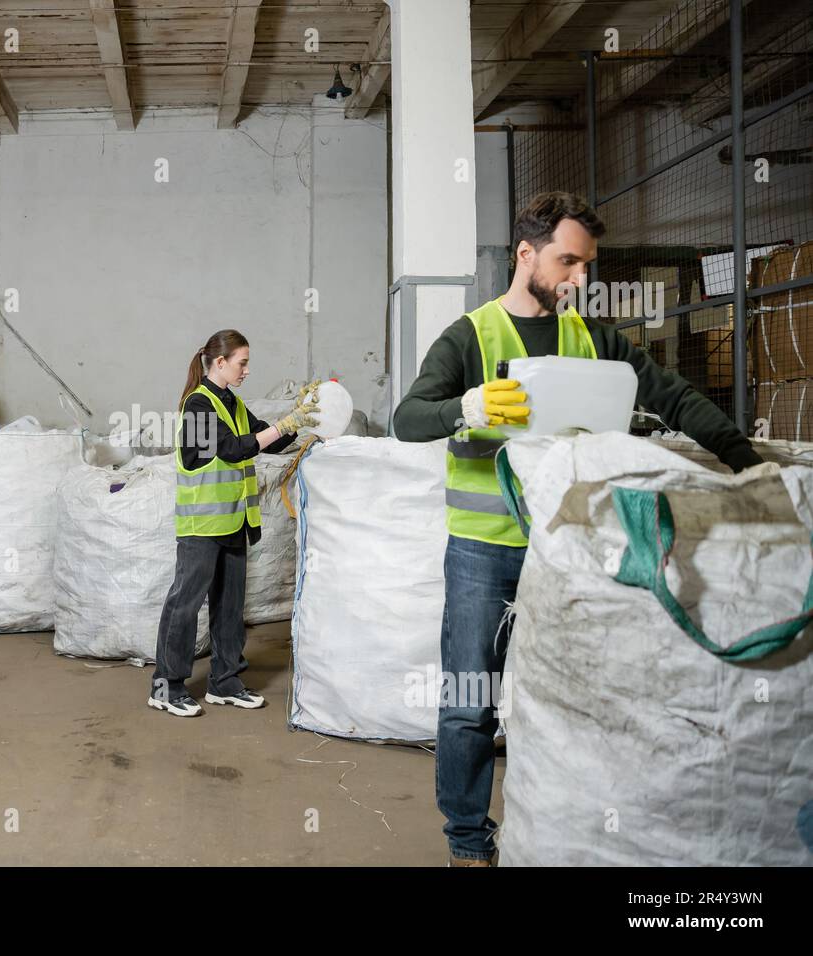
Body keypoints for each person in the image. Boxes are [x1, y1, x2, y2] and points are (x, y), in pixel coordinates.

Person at [392, 191, 764, 865]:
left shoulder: (589, 338)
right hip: (483, 553)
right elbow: (407, 418)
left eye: (587, 265)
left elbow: (671, 395)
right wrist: (467, 406)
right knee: (470, 702)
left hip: (569, 554)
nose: (580, 279)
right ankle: (468, 842)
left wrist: (745, 460)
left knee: (571, 697)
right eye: (569, 262)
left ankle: (569, 835)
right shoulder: (470, 336)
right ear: (526, 254)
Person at [149, 329, 320, 717]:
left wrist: (301, 418)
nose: (246, 370)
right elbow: (231, 448)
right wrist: (286, 422)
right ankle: (166, 685)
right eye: (242, 363)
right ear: (220, 362)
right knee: (185, 605)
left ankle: (224, 681)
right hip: (201, 527)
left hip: (232, 523)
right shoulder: (198, 406)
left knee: (229, 607)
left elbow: (268, 440)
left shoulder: (234, 405)